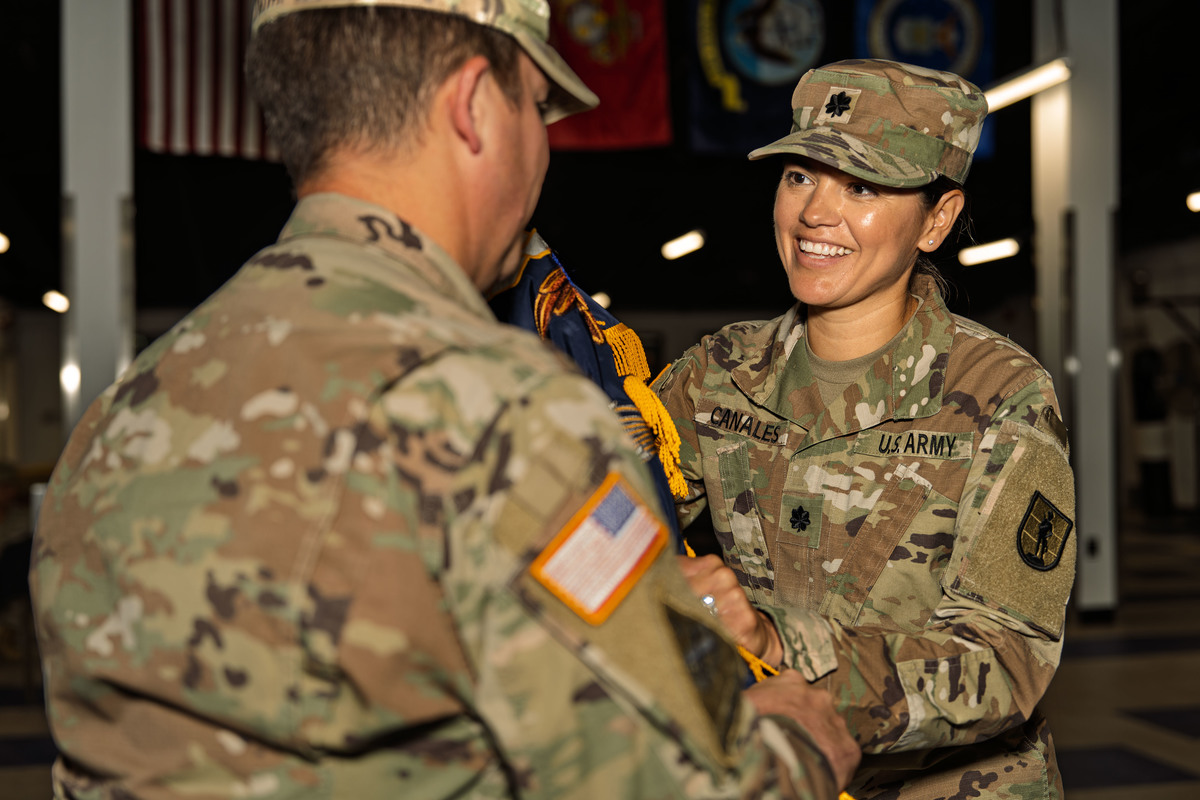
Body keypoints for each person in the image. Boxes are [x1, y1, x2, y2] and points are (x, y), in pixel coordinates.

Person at [29, 2, 860, 797]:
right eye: (537, 106)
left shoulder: (125, 409)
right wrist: (798, 738)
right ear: (472, 107)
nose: (543, 147)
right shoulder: (503, 418)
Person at [653, 59, 1077, 799]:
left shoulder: (1000, 394)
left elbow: (1007, 659)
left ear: (937, 220)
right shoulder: (716, 376)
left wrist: (778, 644)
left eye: (864, 186)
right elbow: (605, 517)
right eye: (800, 176)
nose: (816, 213)